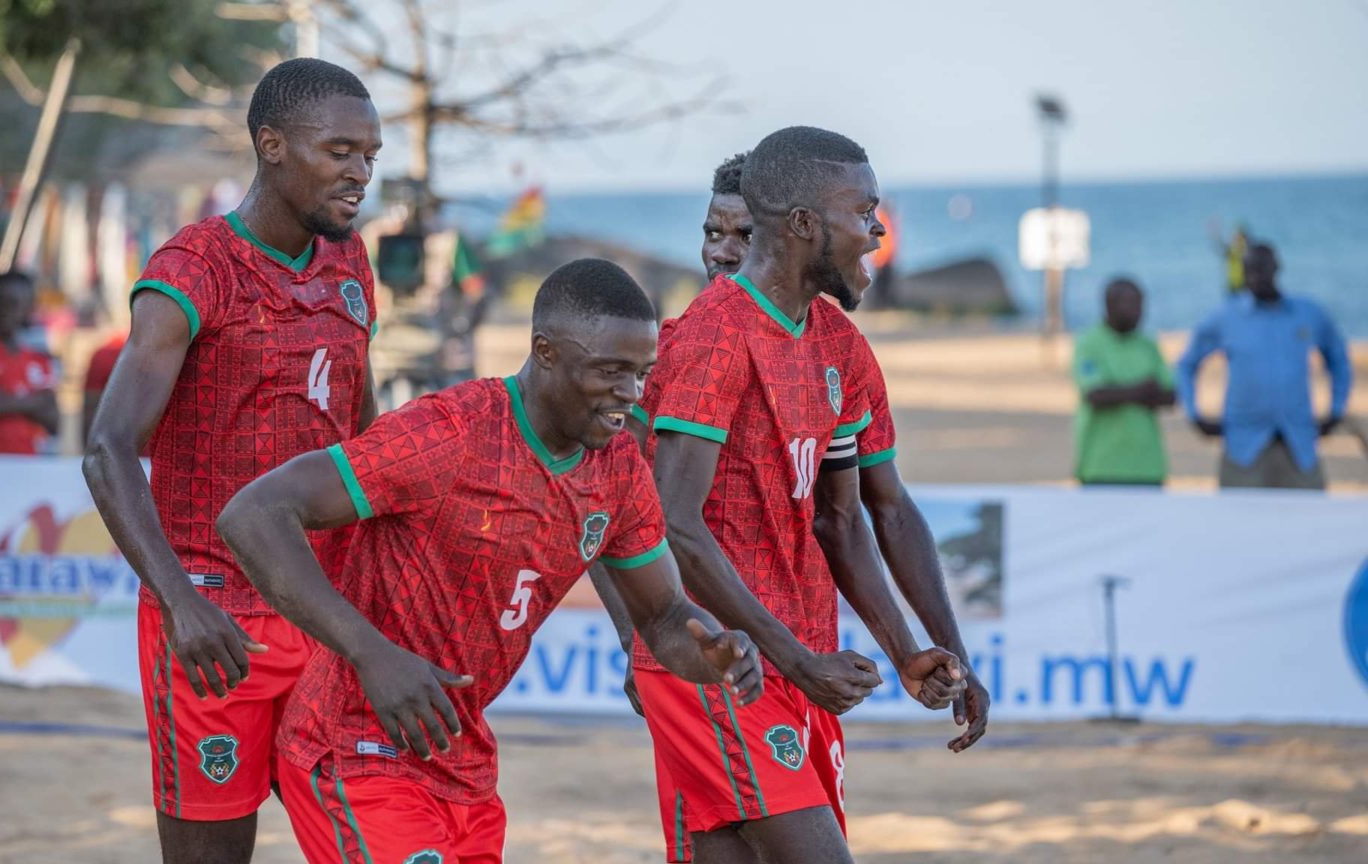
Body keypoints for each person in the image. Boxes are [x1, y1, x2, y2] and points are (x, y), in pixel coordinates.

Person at [217, 259, 764, 863]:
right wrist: (371, 654)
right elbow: (253, 515)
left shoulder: (618, 471)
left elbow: (662, 618)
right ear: (545, 352)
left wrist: (713, 650)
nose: (629, 396)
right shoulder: (448, 434)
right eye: (610, 372)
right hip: (355, 745)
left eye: (640, 374)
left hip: (462, 759)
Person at [618, 128, 968, 863]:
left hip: (799, 662)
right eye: (864, 212)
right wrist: (639, 636)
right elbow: (660, 520)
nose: (878, 231)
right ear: (805, 225)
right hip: (718, 662)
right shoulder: (711, 336)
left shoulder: (838, 345)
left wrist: (920, 651)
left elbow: (855, 519)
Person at [82, 59, 382, 864]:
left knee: (375, 836)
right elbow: (107, 452)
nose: (360, 174)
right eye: (341, 151)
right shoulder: (191, 270)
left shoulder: (350, 262)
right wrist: (181, 604)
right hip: (215, 623)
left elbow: (365, 435)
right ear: (272, 144)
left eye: (370, 157)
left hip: (322, 611)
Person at [1177, 243, 1352, 490]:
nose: (1256, 275)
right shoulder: (1227, 316)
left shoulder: (1307, 313)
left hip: (1299, 444)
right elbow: (1187, 363)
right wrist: (1194, 414)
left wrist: (1336, 410)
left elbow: (1338, 358)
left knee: (1309, 521)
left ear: (1277, 267)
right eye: (1249, 269)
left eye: (1262, 268)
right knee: (1240, 522)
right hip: (1244, 446)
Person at [1072, 278, 1176, 486]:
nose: (1139, 312)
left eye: (1140, 305)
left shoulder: (1147, 344)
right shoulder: (1088, 343)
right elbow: (1095, 395)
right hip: (1100, 467)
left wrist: (1120, 391)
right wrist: (1141, 391)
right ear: (1109, 304)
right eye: (1131, 305)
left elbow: (1170, 395)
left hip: (1148, 467)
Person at [0, 272, 60, 455]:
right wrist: (34, 402)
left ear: (29, 307)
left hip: (29, 461)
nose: (6, 310)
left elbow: (53, 419)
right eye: (0, 302)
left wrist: (9, 401)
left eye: (14, 303)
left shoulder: (40, 360)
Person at [80, 329, 126, 445]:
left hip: (122, 446)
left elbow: (90, 404)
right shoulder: (107, 353)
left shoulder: (106, 352)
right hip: (122, 445)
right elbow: (91, 402)